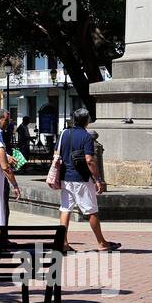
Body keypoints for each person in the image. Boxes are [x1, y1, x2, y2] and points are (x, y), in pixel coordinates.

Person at [55, 108, 119, 252]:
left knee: (65, 209)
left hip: (66, 177)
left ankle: (63, 243)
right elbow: (89, 160)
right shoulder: (86, 137)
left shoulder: (64, 133)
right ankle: (101, 243)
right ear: (87, 121)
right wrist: (97, 179)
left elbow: (56, 153)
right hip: (81, 179)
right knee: (91, 211)